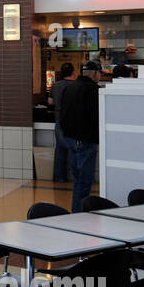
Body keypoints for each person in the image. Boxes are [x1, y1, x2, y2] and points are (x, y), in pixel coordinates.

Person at [58, 60, 101, 213]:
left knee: (77, 179)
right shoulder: (94, 90)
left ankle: (76, 211)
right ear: (95, 74)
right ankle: (79, 214)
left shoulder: (69, 88)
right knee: (84, 180)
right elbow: (96, 116)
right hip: (85, 140)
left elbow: (61, 112)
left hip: (70, 138)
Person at [48, 62, 75, 183]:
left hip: (59, 120)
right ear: (73, 72)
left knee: (60, 151)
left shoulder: (56, 85)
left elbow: (50, 102)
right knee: (74, 150)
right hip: (72, 121)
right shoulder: (76, 85)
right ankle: (76, 178)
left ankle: (59, 178)